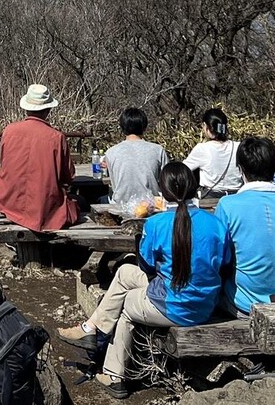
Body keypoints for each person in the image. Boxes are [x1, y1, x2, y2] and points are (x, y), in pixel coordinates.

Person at [58, 162, 227, 397]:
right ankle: (91, 327)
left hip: (174, 306)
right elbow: (224, 262)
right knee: (125, 272)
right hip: (205, 303)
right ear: (193, 187)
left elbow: (146, 265)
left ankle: (114, 374)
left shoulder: (157, 223)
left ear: (163, 191)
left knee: (126, 304)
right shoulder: (216, 223)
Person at [215, 137, 275, 314]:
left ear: (241, 169)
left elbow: (220, 256)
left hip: (244, 304)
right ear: (274, 168)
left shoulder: (227, 205)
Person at [0, 84, 80, 233]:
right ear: (48, 110)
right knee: (80, 204)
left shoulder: (9, 131)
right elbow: (68, 176)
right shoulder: (57, 138)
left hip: (8, 202)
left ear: (26, 108)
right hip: (43, 209)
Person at [102, 108, 169, 215]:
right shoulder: (158, 150)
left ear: (122, 127)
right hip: (151, 207)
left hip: (121, 206)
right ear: (144, 126)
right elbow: (166, 182)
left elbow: (114, 183)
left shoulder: (111, 152)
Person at [183, 108, 244, 197]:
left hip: (210, 196)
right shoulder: (238, 147)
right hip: (237, 195)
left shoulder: (202, 149)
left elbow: (182, 169)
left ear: (206, 127)